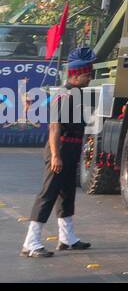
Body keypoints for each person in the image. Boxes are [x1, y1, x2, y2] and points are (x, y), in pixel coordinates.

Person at [20, 47, 95, 258]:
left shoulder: (78, 94)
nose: (89, 78)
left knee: (67, 194)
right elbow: (54, 127)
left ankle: (67, 238)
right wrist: (55, 155)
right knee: (48, 194)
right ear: (75, 74)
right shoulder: (62, 96)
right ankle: (31, 242)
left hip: (71, 149)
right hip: (59, 149)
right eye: (87, 74)